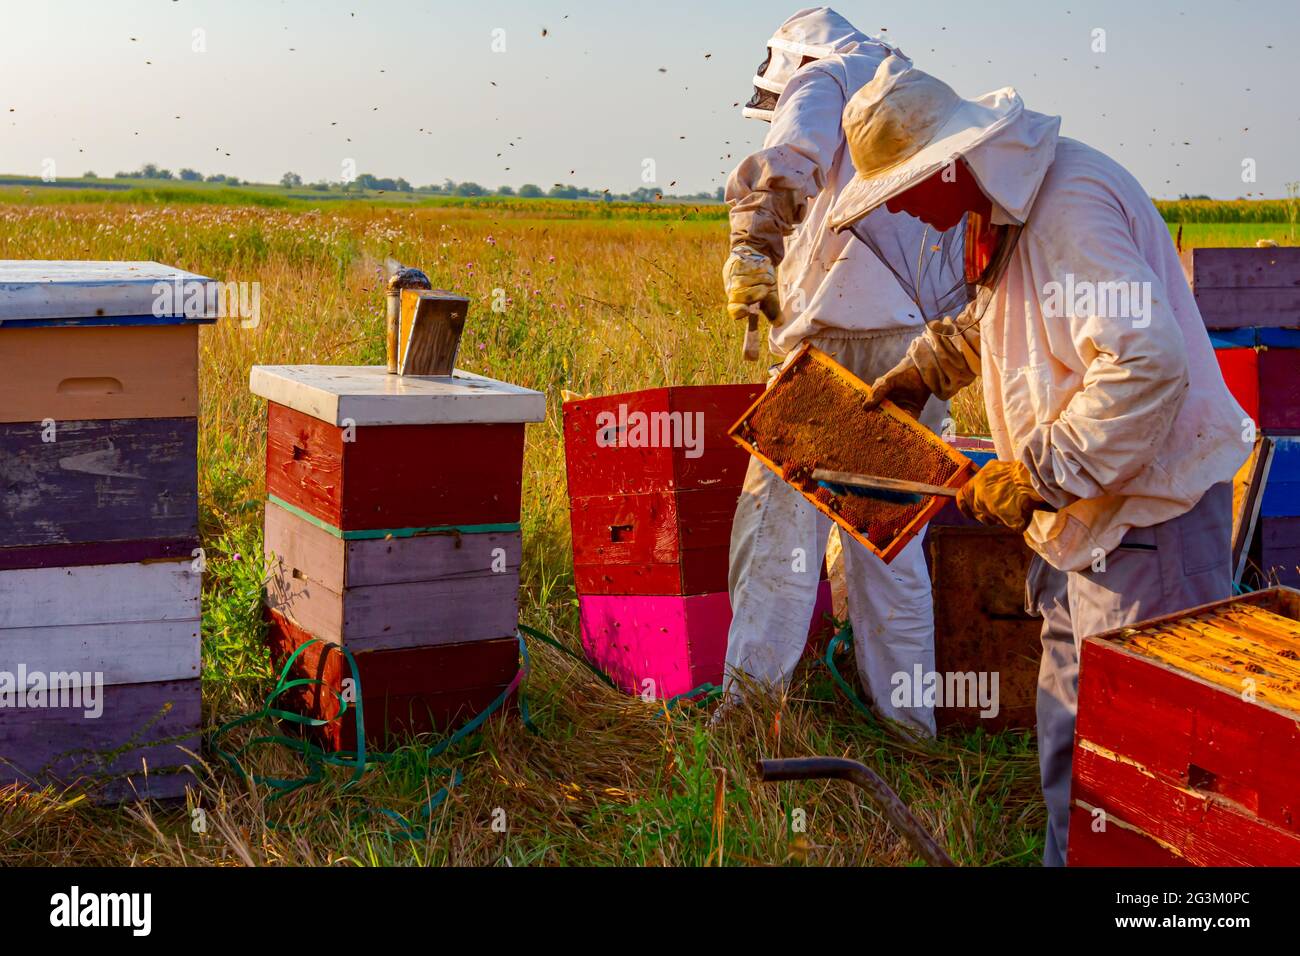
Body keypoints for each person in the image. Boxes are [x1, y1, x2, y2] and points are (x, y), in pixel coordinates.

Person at [829, 55, 1250, 864]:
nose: (909, 212)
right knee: (1075, 748)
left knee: (1146, 774)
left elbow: (1144, 363)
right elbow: (1004, 314)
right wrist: (926, 367)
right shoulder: (1006, 204)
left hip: (1146, 525)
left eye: (907, 188)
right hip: (1088, 526)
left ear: (949, 161)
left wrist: (1036, 474)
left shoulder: (1068, 211)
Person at [721, 8, 946, 736]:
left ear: (789, 60)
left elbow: (789, 159)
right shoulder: (911, 85)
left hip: (838, 344)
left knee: (778, 532)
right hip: (924, 347)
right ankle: (911, 729)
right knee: (891, 546)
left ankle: (750, 716)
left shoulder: (823, 77)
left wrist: (753, 242)